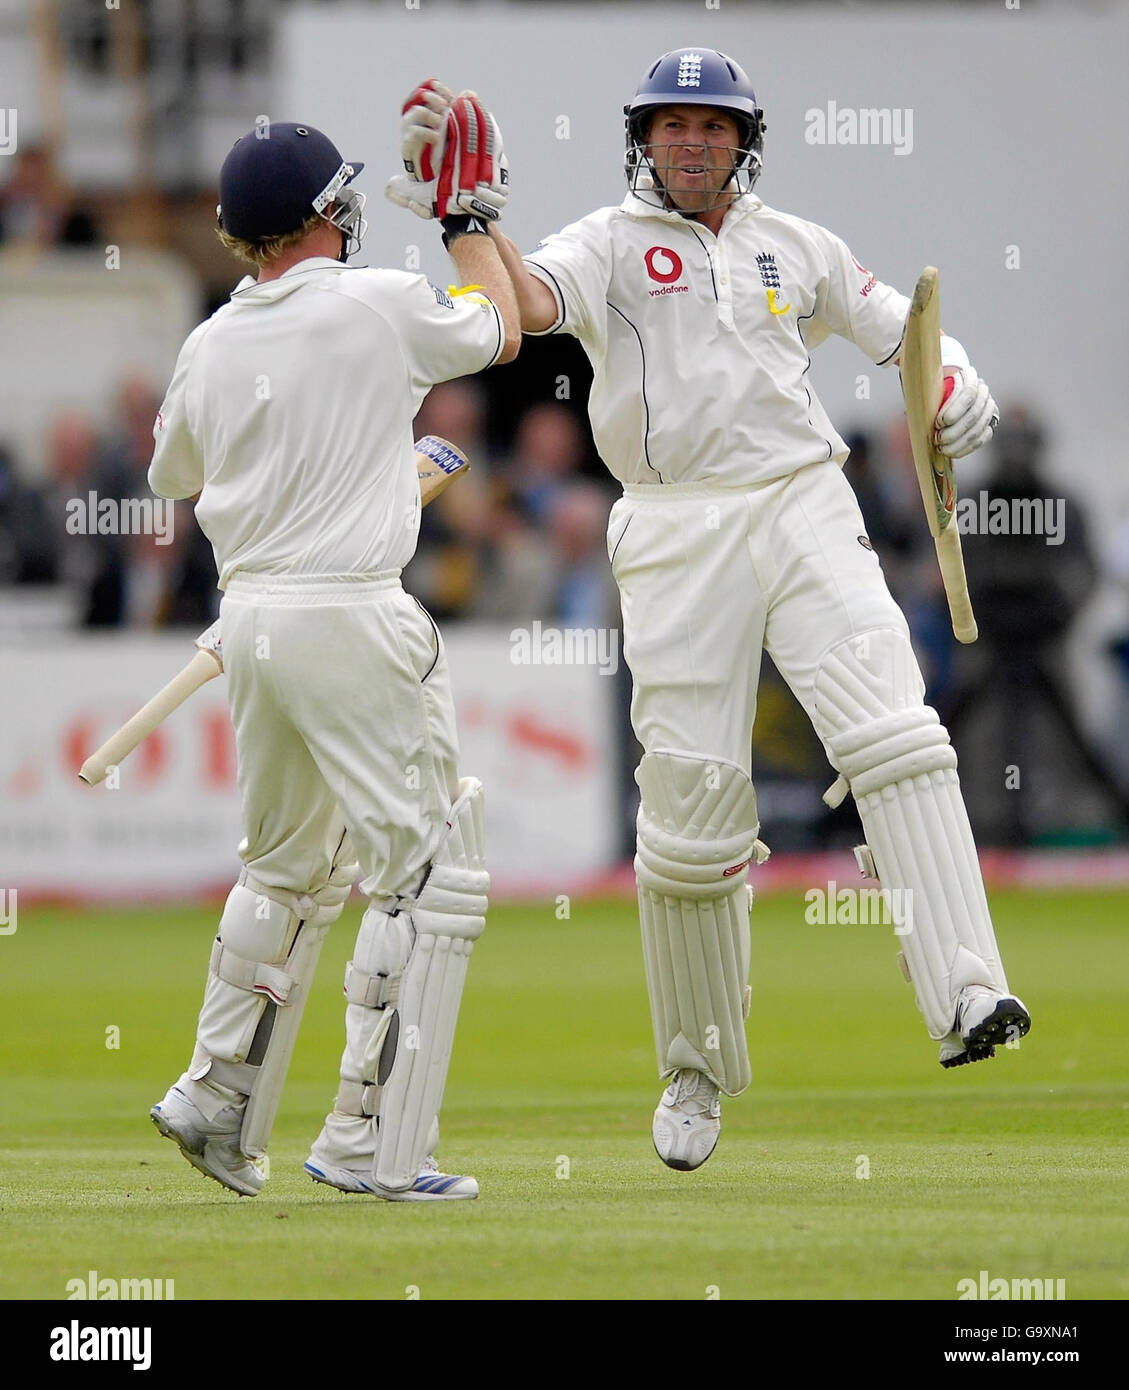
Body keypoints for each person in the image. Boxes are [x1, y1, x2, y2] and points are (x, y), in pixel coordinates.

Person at [443, 48, 1029, 1171]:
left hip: (803, 500)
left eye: (714, 126)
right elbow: (512, 306)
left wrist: (949, 382)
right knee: (691, 811)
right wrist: (467, 216)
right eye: (673, 125)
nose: (694, 143)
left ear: (743, 140)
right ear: (643, 138)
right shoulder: (605, 244)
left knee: (897, 737)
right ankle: (696, 1068)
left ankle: (967, 990)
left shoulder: (793, 243)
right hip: (674, 524)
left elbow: (899, 329)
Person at [148, 99, 520, 1201]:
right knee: (427, 872)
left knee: (283, 870)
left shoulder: (209, 341)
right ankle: (371, 1139)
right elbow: (501, 326)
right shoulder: (376, 303)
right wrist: (467, 214)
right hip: (353, 613)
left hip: (252, 620)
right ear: (326, 216)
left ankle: (216, 1096)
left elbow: (174, 476)